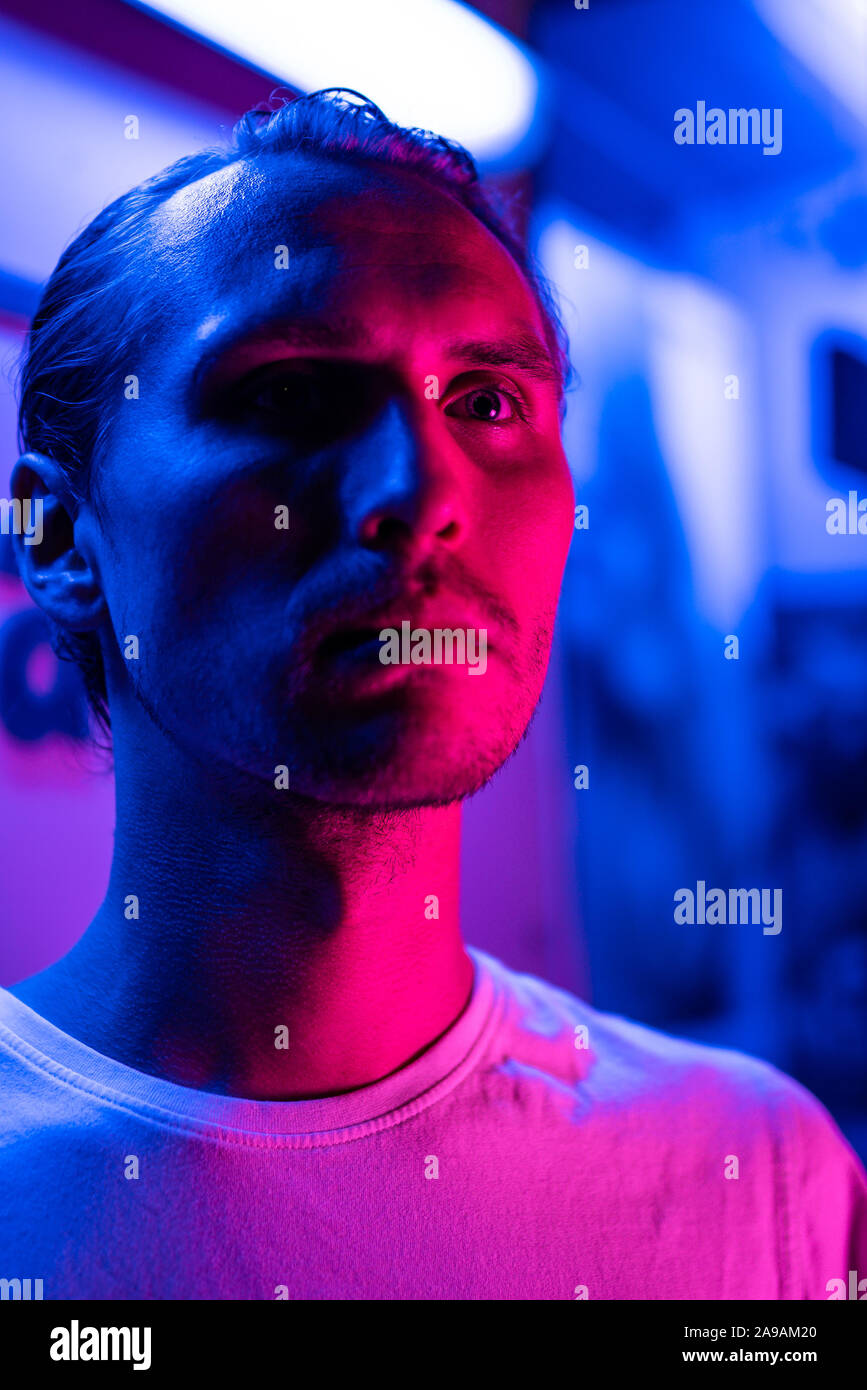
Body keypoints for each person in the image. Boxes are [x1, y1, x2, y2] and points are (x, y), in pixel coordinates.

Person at [1, 90, 864, 1301]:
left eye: (488, 403)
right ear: (58, 536)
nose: (420, 491)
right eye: (292, 394)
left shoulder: (758, 1181)